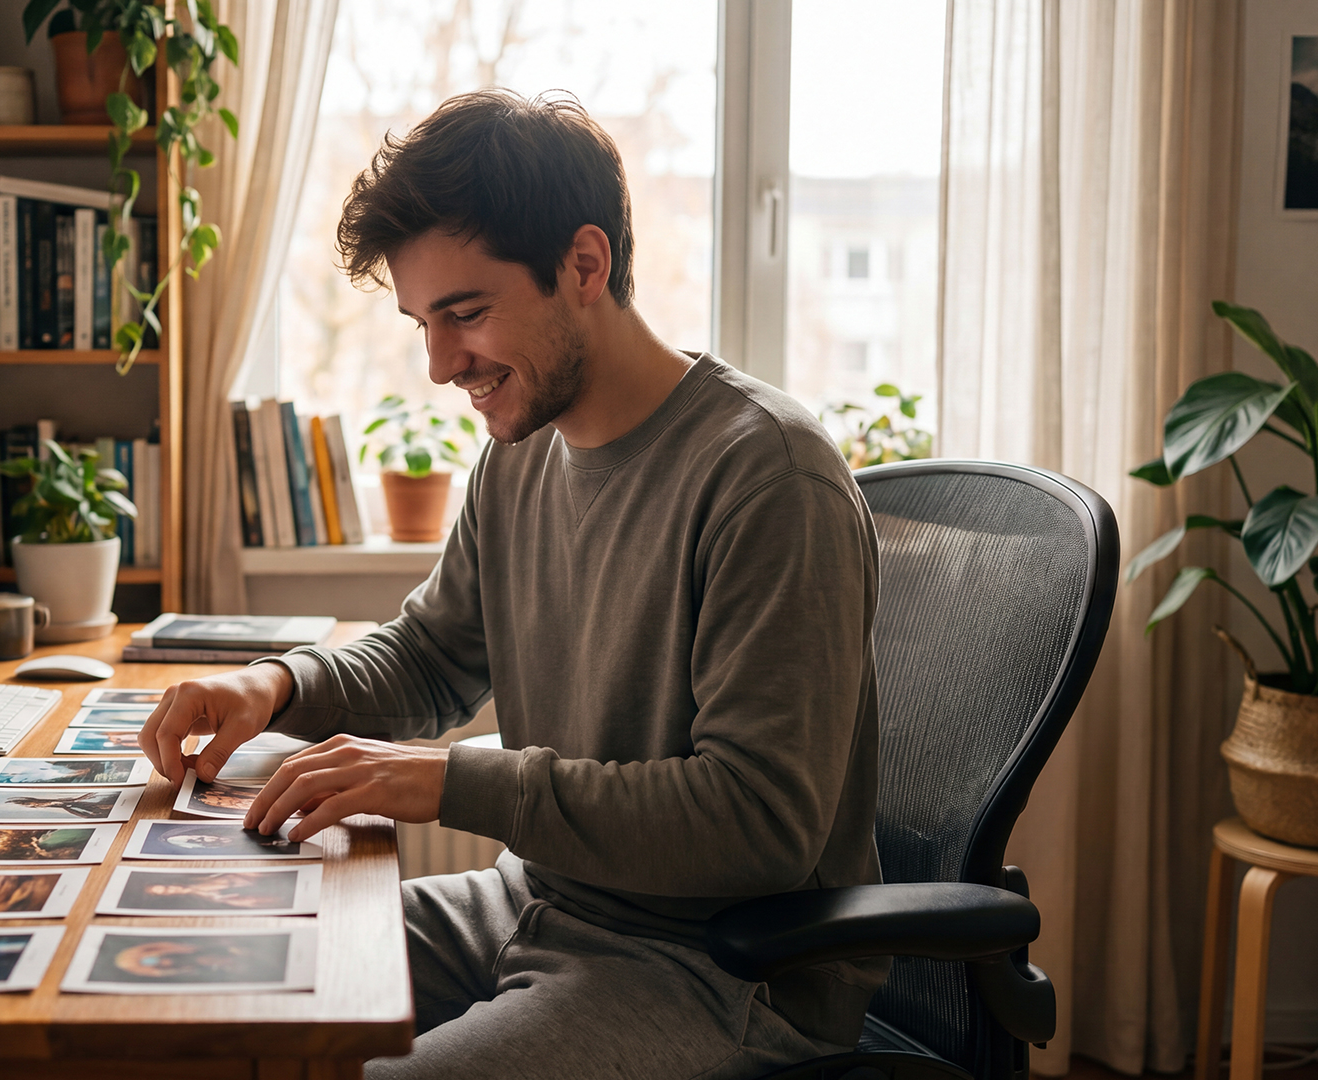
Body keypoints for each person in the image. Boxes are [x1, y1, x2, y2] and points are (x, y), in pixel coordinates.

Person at [140, 88, 884, 1080]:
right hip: (536, 901)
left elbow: (758, 826)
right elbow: (431, 657)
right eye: (422, 325)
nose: (443, 364)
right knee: (190, 986)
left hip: (723, 968)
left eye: (467, 314)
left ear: (585, 265)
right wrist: (275, 686)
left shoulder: (770, 479)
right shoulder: (521, 452)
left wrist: (449, 782)